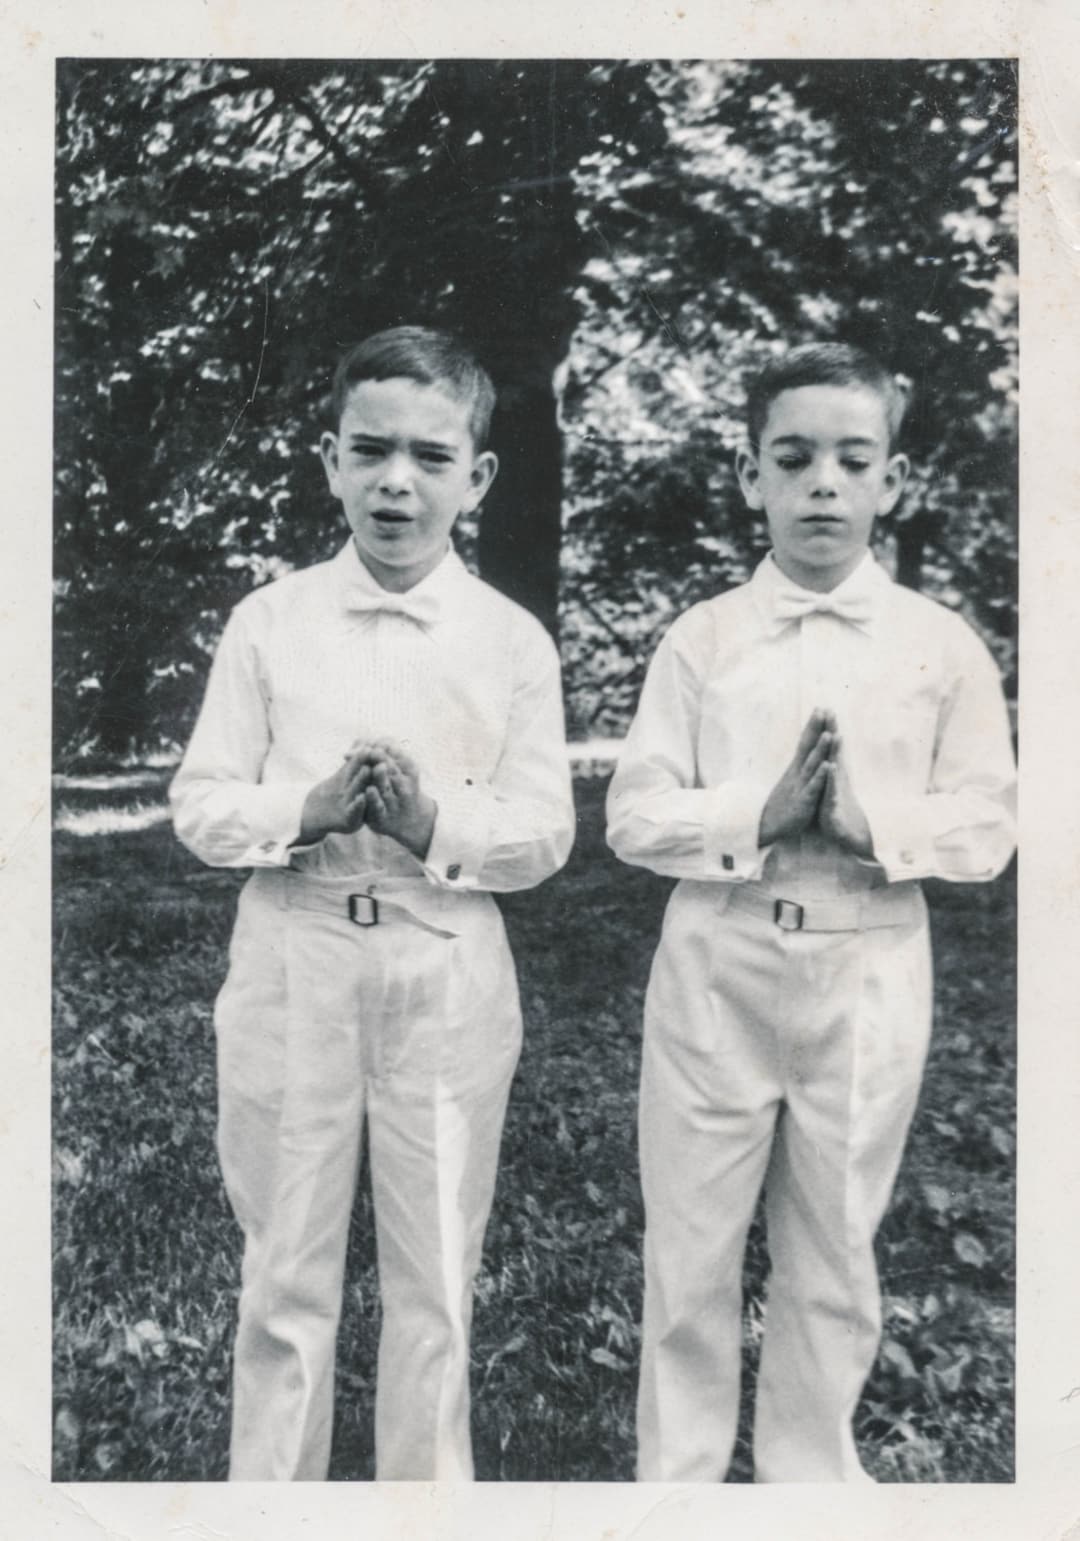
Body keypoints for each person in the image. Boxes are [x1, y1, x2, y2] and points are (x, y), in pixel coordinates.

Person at [606, 342, 1016, 1483]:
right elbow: (636, 814)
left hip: (869, 969)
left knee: (833, 1244)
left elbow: (988, 825)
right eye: (793, 458)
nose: (823, 483)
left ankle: (809, 1482)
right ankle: (676, 1481)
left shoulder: (941, 648)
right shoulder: (704, 639)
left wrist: (867, 826)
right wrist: (758, 808)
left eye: (852, 458)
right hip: (718, 960)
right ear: (751, 478)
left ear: (895, 481)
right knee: (689, 1244)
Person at [170, 326, 575, 1481]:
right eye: (372, 450)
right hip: (296, 958)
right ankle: (271, 1499)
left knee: (436, 1273)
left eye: (431, 457)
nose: (399, 480)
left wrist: (429, 823)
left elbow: (544, 833)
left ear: (477, 477)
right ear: (331, 462)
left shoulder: (510, 641)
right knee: (286, 1263)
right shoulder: (270, 622)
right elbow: (201, 803)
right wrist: (301, 808)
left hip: (443, 968)